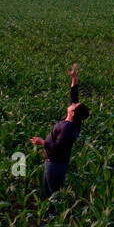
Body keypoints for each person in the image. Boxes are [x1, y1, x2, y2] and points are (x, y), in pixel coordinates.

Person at [30, 63, 90, 198]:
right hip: (54, 161)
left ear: (73, 112)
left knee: (53, 192)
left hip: (55, 164)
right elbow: (74, 96)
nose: (72, 103)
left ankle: (54, 215)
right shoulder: (74, 120)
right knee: (48, 188)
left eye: (74, 105)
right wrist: (74, 78)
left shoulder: (67, 129)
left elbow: (58, 148)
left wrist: (42, 142)